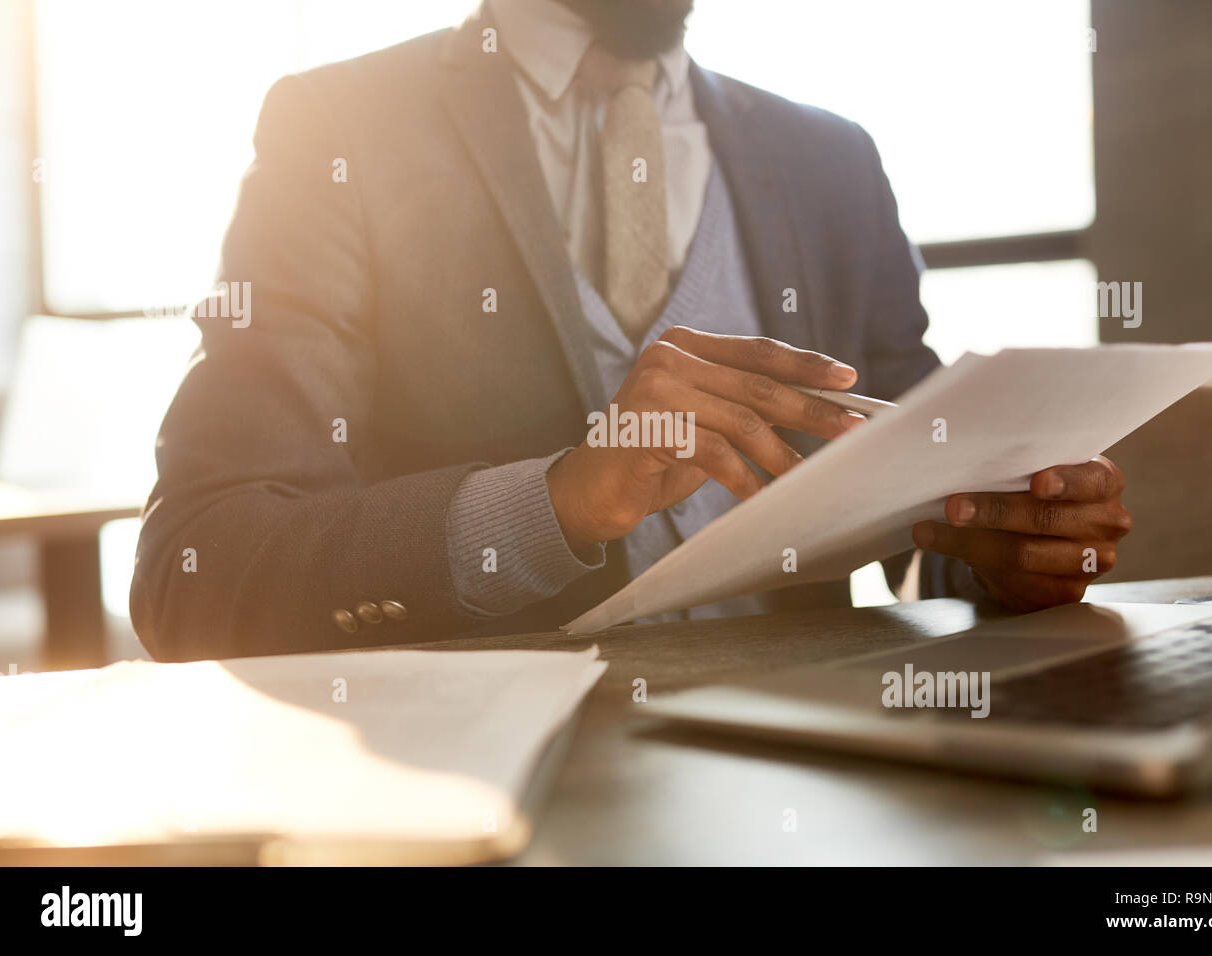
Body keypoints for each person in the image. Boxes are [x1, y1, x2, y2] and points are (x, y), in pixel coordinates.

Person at [130, 0, 1131, 661]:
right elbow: (197, 571)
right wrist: (554, 503)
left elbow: (924, 499)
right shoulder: (336, 130)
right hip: (508, 801)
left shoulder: (828, 159)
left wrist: (1008, 545)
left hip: (826, 779)